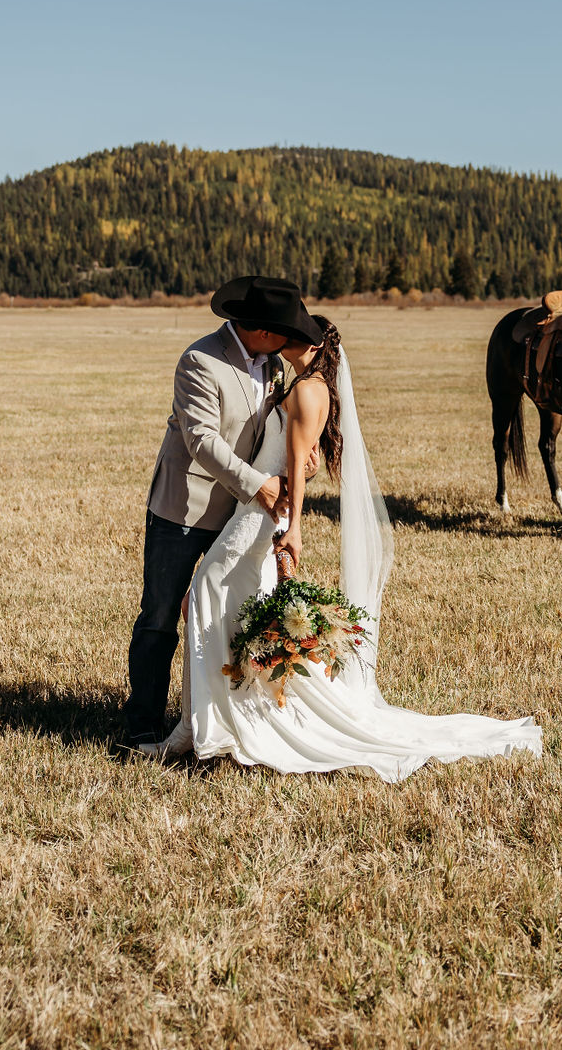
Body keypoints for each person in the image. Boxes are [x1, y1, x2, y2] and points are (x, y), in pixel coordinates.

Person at [161, 317, 542, 780]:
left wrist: (294, 526)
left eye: (291, 333)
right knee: (225, 603)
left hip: (265, 512)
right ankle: (216, 719)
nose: (280, 336)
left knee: (205, 590)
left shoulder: (305, 390)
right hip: (258, 505)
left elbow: (299, 467)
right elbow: (299, 458)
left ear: (308, 344)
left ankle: (196, 727)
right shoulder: (302, 383)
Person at [121, 275, 322, 754]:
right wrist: (262, 486)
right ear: (260, 330)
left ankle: (217, 719)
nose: (293, 341)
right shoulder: (199, 360)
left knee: (225, 616)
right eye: (286, 331)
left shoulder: (274, 365)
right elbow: (202, 441)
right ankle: (143, 724)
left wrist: (299, 465)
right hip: (182, 509)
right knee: (160, 616)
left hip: (240, 514)